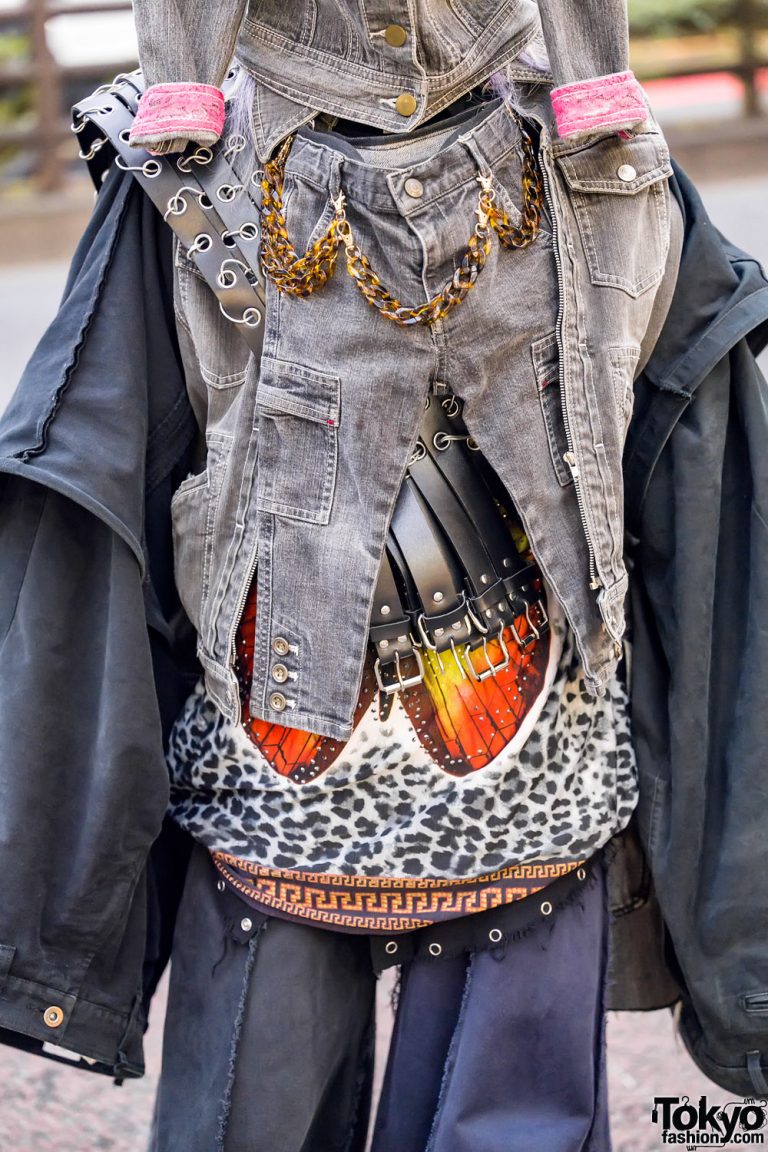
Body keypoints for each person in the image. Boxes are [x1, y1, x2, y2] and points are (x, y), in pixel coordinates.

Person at [123, 3, 686, 1149]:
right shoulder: (179, 188)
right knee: (266, 1087)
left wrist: (592, 87)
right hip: (284, 747)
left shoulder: (608, 180)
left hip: (519, 727)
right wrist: (180, 88)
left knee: (494, 1086)